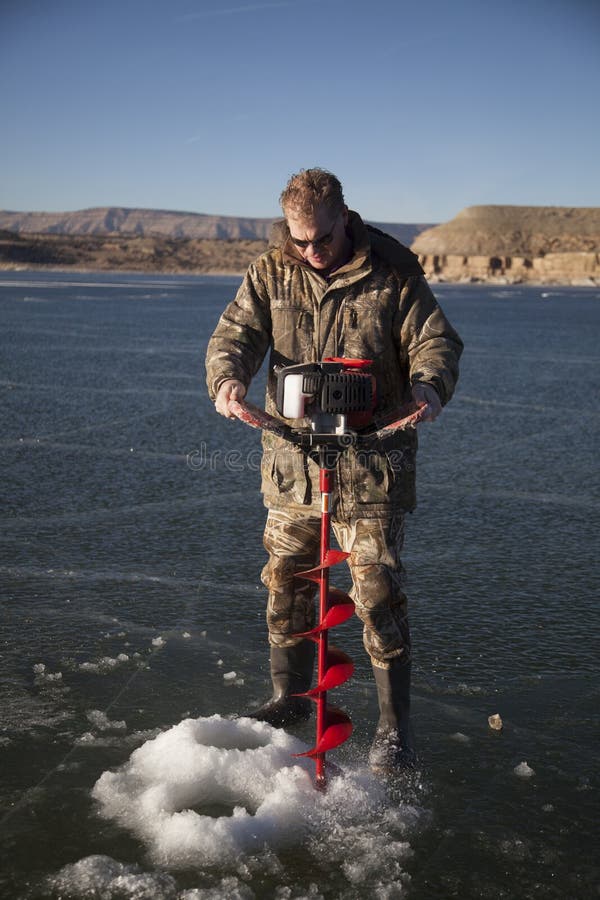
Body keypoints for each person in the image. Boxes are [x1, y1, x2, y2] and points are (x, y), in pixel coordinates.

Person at [206, 168, 463, 773]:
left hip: (373, 464)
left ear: (344, 218)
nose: (311, 251)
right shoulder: (272, 271)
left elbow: (437, 342)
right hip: (293, 464)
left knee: (376, 594)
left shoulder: (394, 274)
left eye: (321, 238)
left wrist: (428, 388)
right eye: (300, 240)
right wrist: (227, 379)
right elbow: (235, 334)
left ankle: (393, 730)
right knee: (286, 582)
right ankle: (288, 699)